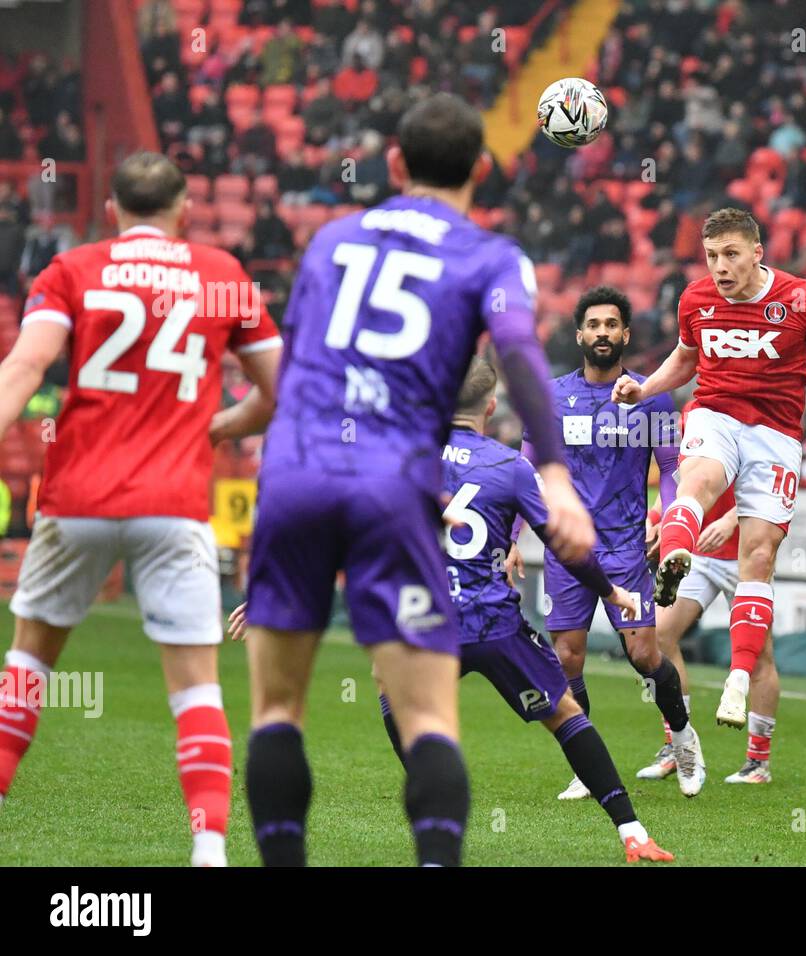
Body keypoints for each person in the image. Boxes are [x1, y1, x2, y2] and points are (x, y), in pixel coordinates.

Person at [239, 93, 595, 868]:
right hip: (391, 481)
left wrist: (231, 429)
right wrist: (557, 474)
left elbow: (289, 371)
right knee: (430, 716)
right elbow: (522, 355)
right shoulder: (490, 255)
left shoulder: (330, 239)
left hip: (296, 472)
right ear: (480, 169)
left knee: (276, 710)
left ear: (394, 165)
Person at [0, 151, 282, 866]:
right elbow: (284, 390)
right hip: (174, 501)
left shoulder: (73, 270)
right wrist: (221, 426)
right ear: (185, 212)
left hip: (77, 495)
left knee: (28, 663)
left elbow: (26, 366)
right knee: (195, 687)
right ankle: (210, 852)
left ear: (111, 212)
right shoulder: (220, 275)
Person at [387, 358, 672, 861]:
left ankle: (432, 803)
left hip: (427, 622)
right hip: (493, 623)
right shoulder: (510, 466)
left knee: (393, 693)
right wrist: (610, 591)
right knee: (565, 716)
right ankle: (632, 832)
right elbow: (566, 546)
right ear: (491, 408)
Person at [612, 207, 806, 729]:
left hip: (777, 433)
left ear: (757, 253)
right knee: (695, 481)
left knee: (758, 557)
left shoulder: (805, 300)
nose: (720, 267)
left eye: (731, 255)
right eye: (712, 256)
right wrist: (644, 387)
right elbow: (686, 358)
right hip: (714, 413)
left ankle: (738, 683)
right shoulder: (695, 299)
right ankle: (676, 559)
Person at [518, 285, 703, 799]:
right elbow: (526, 470)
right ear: (580, 334)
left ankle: (683, 738)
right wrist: (512, 538)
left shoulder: (652, 395)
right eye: (593, 325)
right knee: (568, 658)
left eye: (611, 325)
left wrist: (669, 519)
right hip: (568, 546)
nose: (602, 333)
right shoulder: (552, 396)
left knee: (645, 655)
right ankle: (585, 767)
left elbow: (670, 467)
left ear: (625, 334)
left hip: (625, 545)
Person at [640, 478, 782, 784]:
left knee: (759, 656)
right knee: (660, 636)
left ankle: (757, 762)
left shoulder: (760, 427)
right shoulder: (679, 427)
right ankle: (677, 745)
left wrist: (731, 519)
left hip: (748, 551)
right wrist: (655, 518)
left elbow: (766, 477)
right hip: (700, 550)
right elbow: (675, 477)